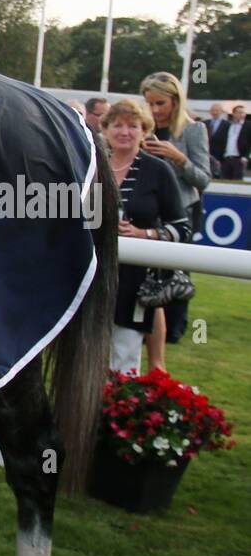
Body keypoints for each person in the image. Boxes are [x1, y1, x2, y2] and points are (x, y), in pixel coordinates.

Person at [102, 99, 190, 374]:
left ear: (144, 131)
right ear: (105, 130)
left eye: (133, 126)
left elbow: (181, 228)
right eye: (117, 125)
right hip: (93, 276)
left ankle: (118, 411)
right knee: (89, 354)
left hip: (135, 281)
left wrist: (144, 233)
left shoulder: (157, 171)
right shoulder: (92, 166)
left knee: (124, 355)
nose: (124, 132)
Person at [140, 71, 210, 350]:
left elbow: (203, 178)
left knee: (176, 270)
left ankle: (175, 327)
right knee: (147, 270)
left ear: (175, 101)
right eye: (150, 104)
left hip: (182, 208)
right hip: (150, 207)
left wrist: (179, 158)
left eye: (160, 103)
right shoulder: (144, 129)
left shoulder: (194, 130)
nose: (155, 110)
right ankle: (145, 325)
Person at [210, 103, 250, 181]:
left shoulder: (248, 126)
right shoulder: (228, 125)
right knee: (224, 180)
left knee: (237, 181)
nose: (241, 114)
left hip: (239, 159)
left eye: (243, 112)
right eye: (239, 112)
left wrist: (245, 156)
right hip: (226, 158)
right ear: (234, 114)